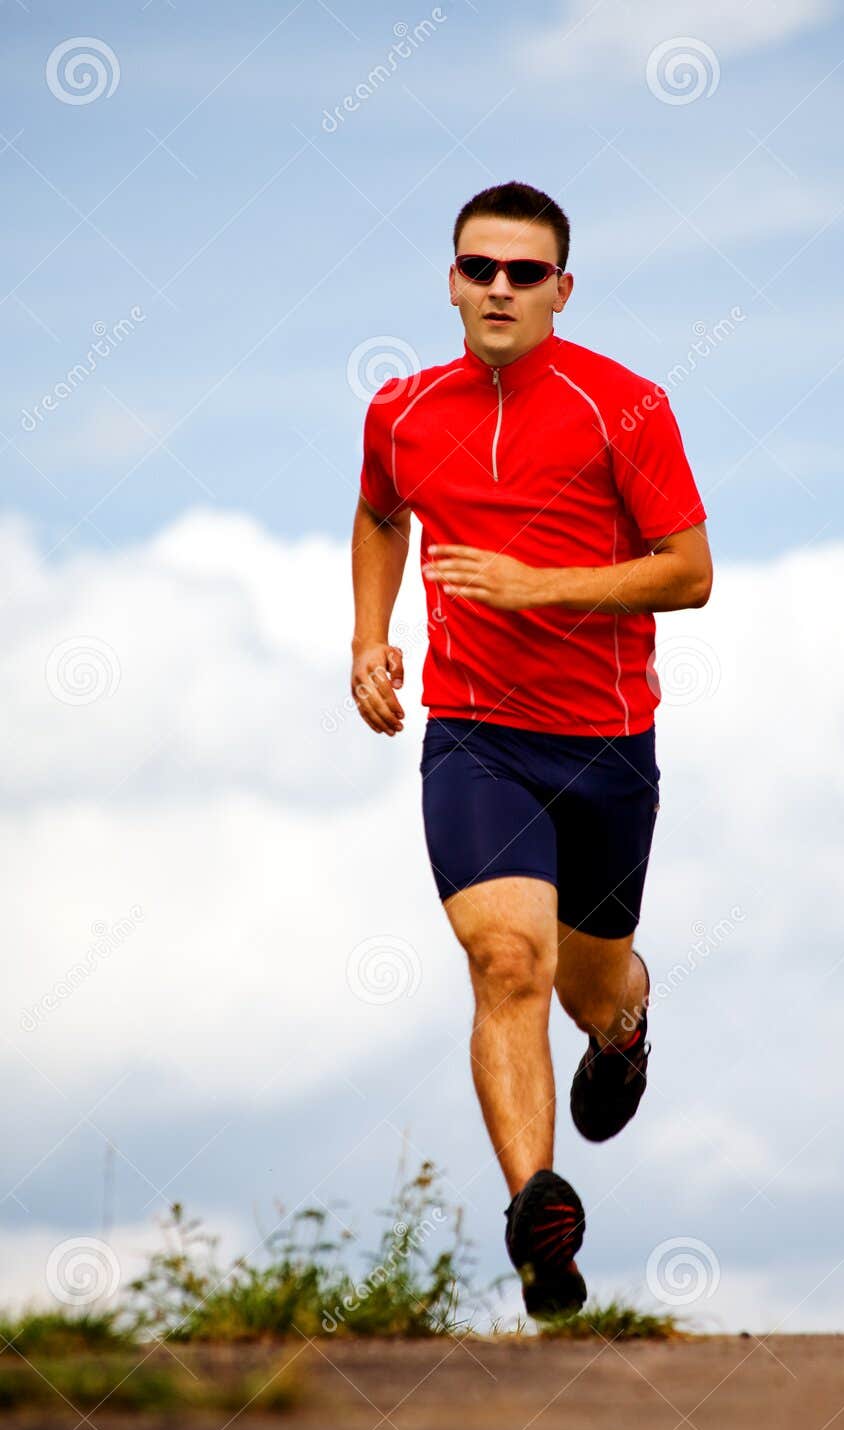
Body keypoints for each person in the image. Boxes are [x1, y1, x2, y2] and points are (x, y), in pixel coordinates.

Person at [351, 181, 711, 1318]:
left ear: (561, 288)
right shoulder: (402, 410)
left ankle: (625, 1021)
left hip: (605, 745)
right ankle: (537, 1219)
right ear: (451, 281)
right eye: (478, 268)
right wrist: (368, 637)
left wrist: (534, 585)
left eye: (523, 272)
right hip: (475, 736)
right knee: (509, 963)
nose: (498, 288)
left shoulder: (625, 407)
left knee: (588, 988)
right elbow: (381, 513)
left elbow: (689, 573)